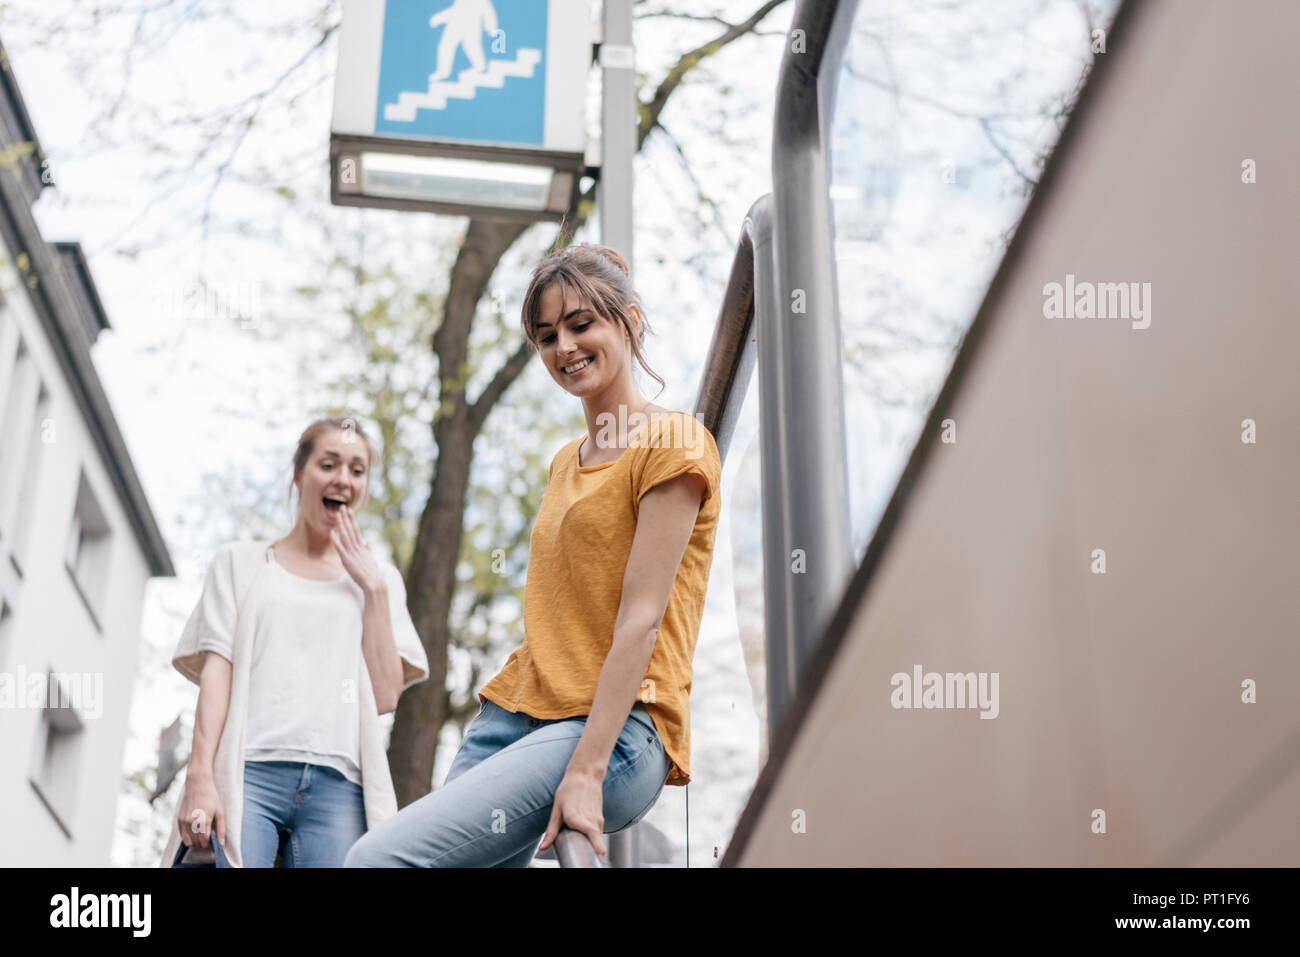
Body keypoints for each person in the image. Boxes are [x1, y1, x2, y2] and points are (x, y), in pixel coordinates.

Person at [345, 243, 722, 867]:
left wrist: (587, 770)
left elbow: (642, 619)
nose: (564, 347)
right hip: (512, 716)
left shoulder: (673, 441)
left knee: (375, 861)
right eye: (547, 336)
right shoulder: (564, 463)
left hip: (615, 730)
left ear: (627, 322)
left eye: (581, 324)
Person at [161, 416, 430, 868]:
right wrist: (200, 776)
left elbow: (385, 695)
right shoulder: (240, 565)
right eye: (329, 464)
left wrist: (373, 591)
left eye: (357, 470)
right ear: (299, 473)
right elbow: (216, 672)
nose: (343, 478)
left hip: (340, 789)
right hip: (248, 773)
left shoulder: (380, 581)